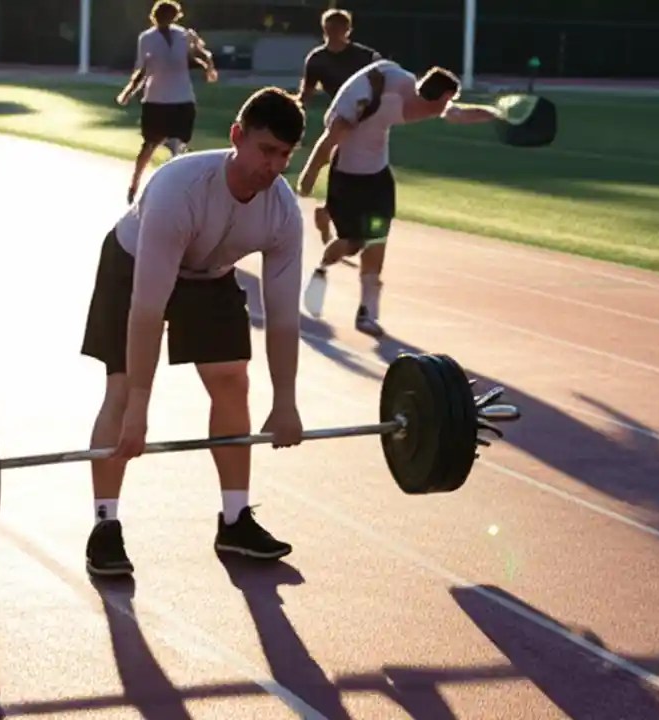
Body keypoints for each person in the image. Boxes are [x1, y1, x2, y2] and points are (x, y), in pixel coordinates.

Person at [79, 86, 307, 577]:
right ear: (237, 137)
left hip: (210, 274)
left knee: (232, 380)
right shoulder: (178, 188)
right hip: (133, 264)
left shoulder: (283, 211)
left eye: (285, 155)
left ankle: (235, 519)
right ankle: (105, 526)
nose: (274, 166)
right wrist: (142, 404)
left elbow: (285, 315)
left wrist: (285, 400)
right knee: (120, 395)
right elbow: (147, 310)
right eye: (266, 150)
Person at [296, 60, 502, 337]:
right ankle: (322, 266)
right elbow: (330, 139)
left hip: (378, 178)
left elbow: (457, 115)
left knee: (376, 239)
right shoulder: (369, 99)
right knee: (352, 244)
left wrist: (496, 113)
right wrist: (308, 177)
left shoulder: (423, 97)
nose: (447, 107)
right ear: (438, 96)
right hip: (346, 179)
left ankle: (367, 312)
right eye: (447, 100)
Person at [116, 0, 219, 205]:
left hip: (182, 97)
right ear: (157, 17)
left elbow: (197, 56)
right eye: (165, 16)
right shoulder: (147, 38)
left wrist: (208, 66)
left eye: (172, 16)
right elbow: (142, 70)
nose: (168, 20)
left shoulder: (183, 35)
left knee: (179, 144)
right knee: (149, 144)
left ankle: (177, 189)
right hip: (157, 98)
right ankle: (134, 183)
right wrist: (129, 91)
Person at [296, 8, 383, 245]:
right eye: (331, 29)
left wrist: (373, 103)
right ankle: (313, 176)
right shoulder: (317, 59)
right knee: (339, 146)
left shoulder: (365, 57)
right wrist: (294, 111)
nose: (335, 33)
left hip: (368, 117)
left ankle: (328, 210)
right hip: (341, 114)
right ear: (325, 30)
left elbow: (380, 82)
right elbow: (307, 92)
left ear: (348, 30)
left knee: (353, 169)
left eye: (340, 29)